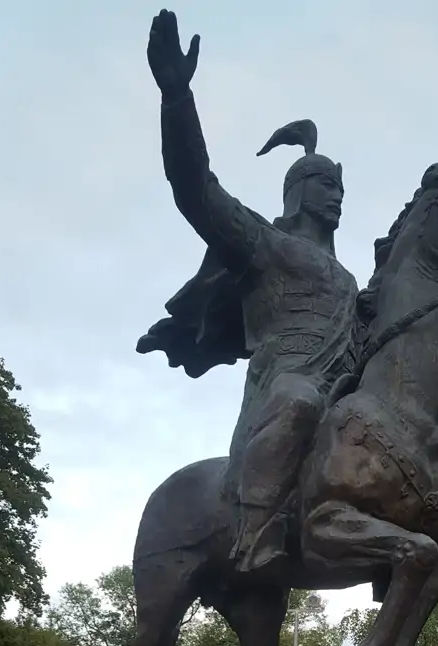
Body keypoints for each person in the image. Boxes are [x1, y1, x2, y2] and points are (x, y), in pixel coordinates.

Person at [137, 10, 363, 573]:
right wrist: (175, 98)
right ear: (298, 191)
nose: (336, 197)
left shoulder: (348, 280)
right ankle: (256, 532)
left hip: (342, 394)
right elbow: (195, 189)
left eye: (340, 188)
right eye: (325, 185)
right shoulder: (263, 244)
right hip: (281, 396)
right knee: (299, 399)